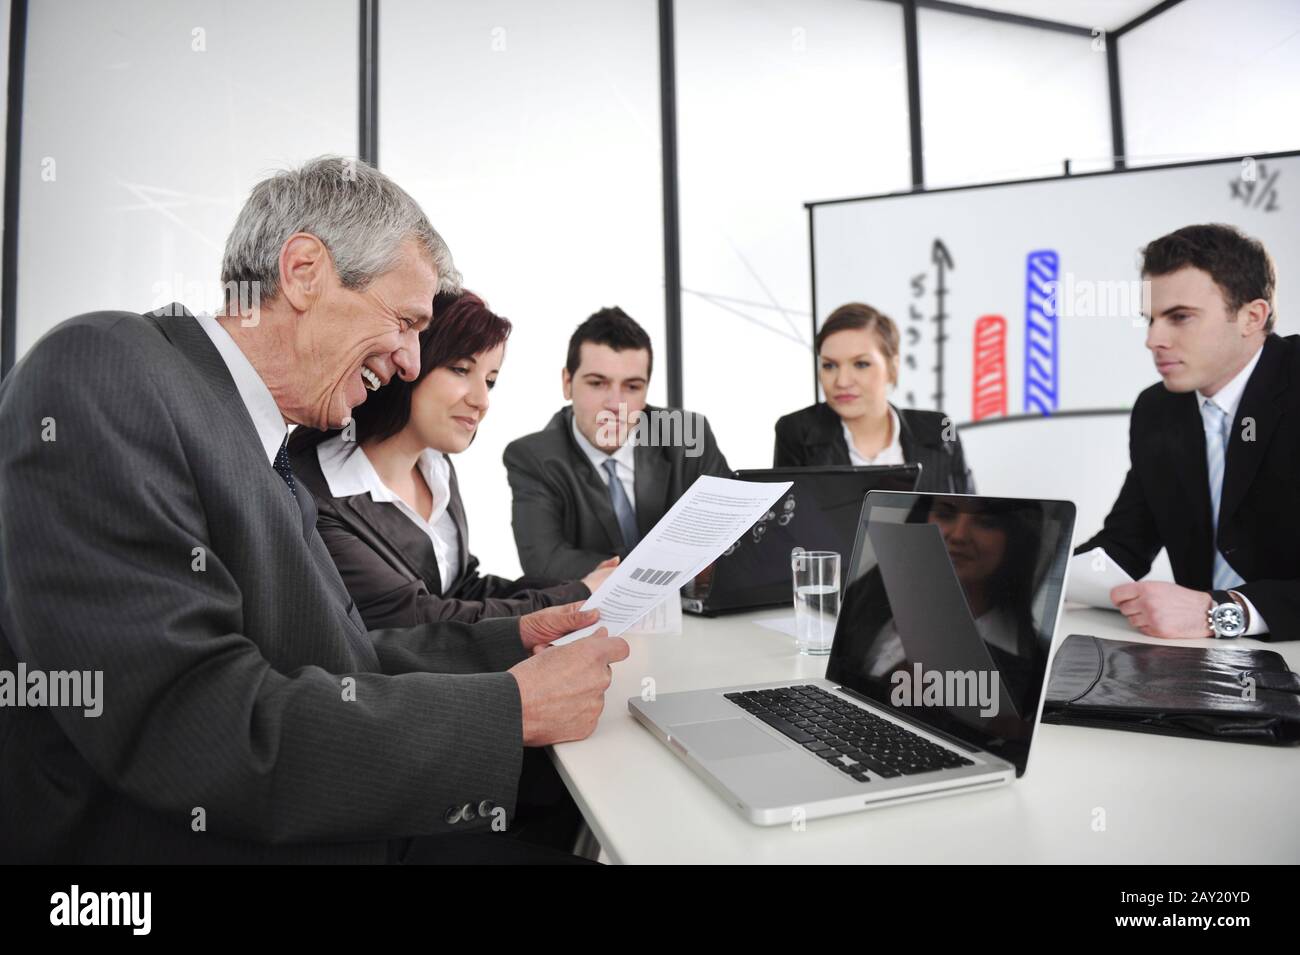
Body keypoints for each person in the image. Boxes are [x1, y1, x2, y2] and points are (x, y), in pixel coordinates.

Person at [0, 156, 629, 864]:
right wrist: (505, 712)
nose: (412, 362)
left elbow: (343, 656)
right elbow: (193, 720)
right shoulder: (104, 370)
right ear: (303, 271)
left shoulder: (261, 438)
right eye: (405, 321)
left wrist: (514, 639)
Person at [289, 290, 616, 629]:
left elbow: (461, 589)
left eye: (490, 381)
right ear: (409, 361)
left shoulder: (436, 468)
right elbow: (418, 618)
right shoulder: (318, 494)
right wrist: (574, 596)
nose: (481, 400)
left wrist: (586, 586)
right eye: (461, 369)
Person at [1074, 223, 1299, 641]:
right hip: (1195, 663)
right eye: (1151, 319)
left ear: (1252, 316)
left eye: (1179, 317)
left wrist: (1223, 613)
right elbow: (1127, 542)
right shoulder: (1157, 408)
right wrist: (1038, 576)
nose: (1153, 339)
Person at [503, 307, 731, 580]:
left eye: (632, 387)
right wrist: (664, 571)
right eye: (598, 384)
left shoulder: (686, 434)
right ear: (567, 383)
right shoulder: (533, 458)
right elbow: (546, 562)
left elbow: (732, 533)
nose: (615, 405)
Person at [773, 303, 974, 492]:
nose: (842, 381)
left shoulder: (939, 428)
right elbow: (787, 523)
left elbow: (970, 517)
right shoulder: (796, 432)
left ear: (892, 368)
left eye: (861, 364)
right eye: (829, 366)